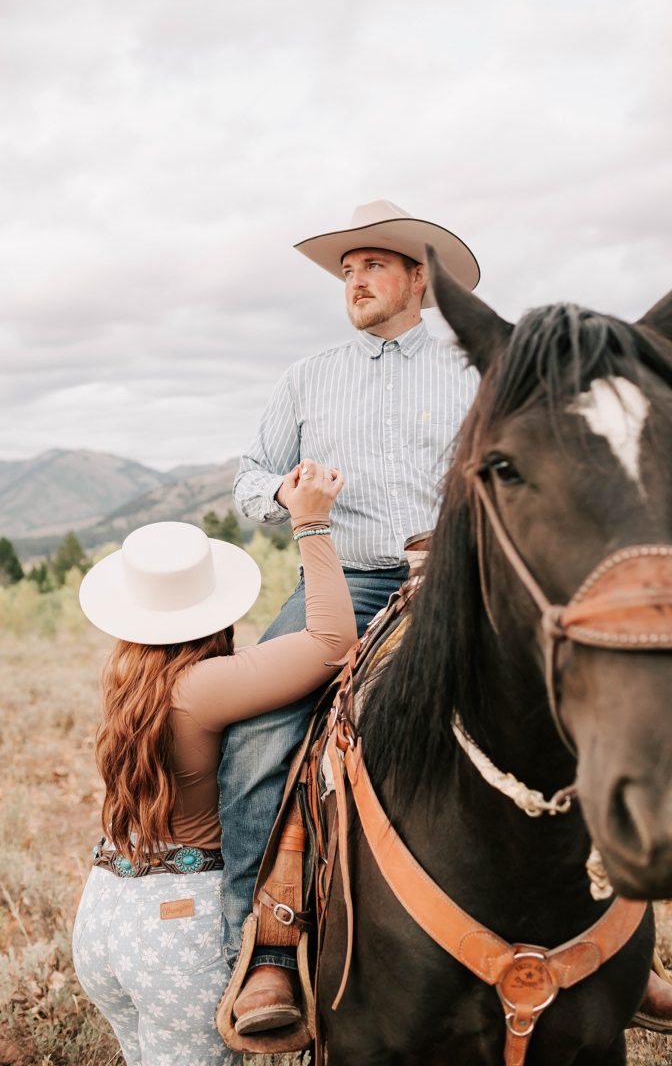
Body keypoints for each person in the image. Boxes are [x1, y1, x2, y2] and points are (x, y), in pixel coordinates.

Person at [222, 200, 482, 1028]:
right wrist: (285, 494)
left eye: (373, 265)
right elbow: (248, 477)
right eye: (347, 270)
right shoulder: (309, 375)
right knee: (258, 734)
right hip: (348, 578)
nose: (356, 281)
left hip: (462, 578)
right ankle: (265, 953)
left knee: (577, 704)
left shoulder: (476, 365)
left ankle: (609, 950)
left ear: (419, 278)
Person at [72, 460, 357, 1066]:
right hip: (178, 927)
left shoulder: (127, 679)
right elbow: (334, 642)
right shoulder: (202, 686)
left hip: (104, 909)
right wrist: (310, 523)